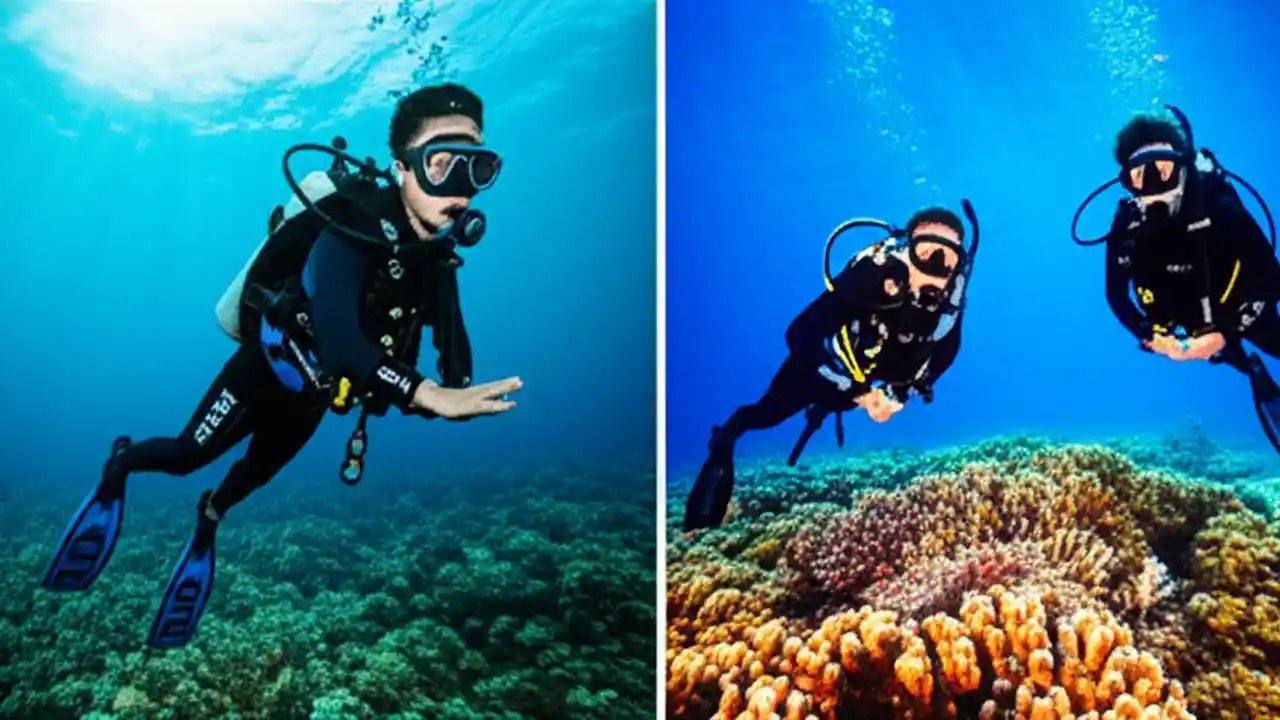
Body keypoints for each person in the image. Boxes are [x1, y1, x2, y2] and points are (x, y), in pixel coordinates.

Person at [40, 83, 523, 648]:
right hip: (262, 369)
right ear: (401, 169)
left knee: (247, 481)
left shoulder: (435, 264)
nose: (461, 192)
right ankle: (121, 462)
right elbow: (344, 343)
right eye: (443, 165)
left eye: (478, 168)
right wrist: (427, 394)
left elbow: (445, 373)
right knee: (184, 456)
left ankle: (209, 519)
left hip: (312, 398)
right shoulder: (347, 223)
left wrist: (447, 393)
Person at [683, 202, 980, 531]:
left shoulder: (951, 300)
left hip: (878, 374)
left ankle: (841, 401)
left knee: (880, 383)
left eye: (948, 257)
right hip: (825, 366)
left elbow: (946, 352)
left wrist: (901, 394)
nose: (936, 268)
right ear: (907, 250)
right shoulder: (871, 275)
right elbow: (799, 334)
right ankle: (721, 449)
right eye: (927, 253)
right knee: (763, 415)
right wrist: (859, 394)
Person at [1073, 104, 1280, 451]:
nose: (1153, 185)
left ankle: (1247, 361)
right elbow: (1116, 296)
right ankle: (1253, 372)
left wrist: (1225, 332)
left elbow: (1272, 279)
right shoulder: (1127, 225)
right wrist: (1148, 334)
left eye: (1163, 169)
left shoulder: (1217, 206)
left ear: (1182, 167)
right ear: (1127, 181)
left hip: (1245, 307)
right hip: (1192, 323)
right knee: (1236, 360)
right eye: (1140, 175)